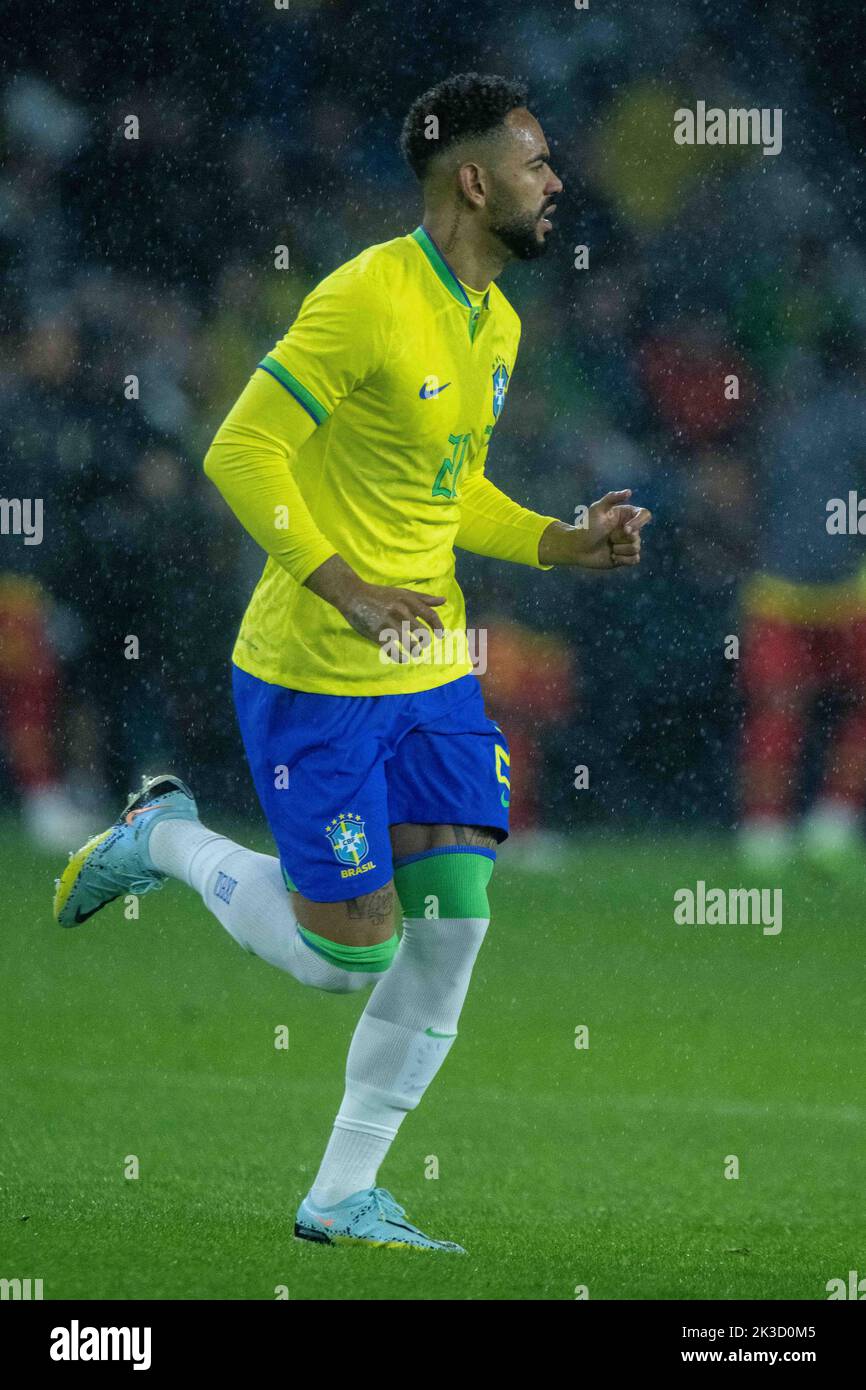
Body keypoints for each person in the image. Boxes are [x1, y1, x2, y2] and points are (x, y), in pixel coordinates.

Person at [53, 73, 651, 1253]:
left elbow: (444, 490)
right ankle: (162, 836)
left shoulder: (497, 323)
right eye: (534, 164)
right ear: (473, 181)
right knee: (345, 955)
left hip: (425, 669)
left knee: (456, 922)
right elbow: (240, 450)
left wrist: (551, 540)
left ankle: (338, 1194)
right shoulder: (365, 297)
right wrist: (340, 584)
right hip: (315, 669)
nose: (555, 182)